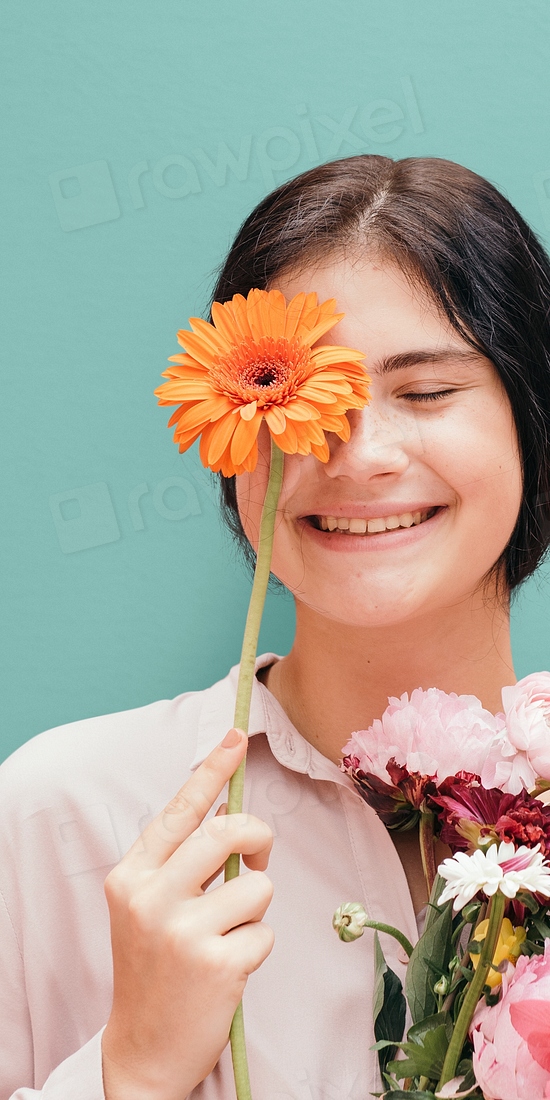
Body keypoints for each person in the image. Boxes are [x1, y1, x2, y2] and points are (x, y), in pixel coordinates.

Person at [2, 153, 550, 1100]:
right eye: (306, 401)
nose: (362, 457)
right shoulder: (59, 817)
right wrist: (129, 1069)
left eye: (425, 392)